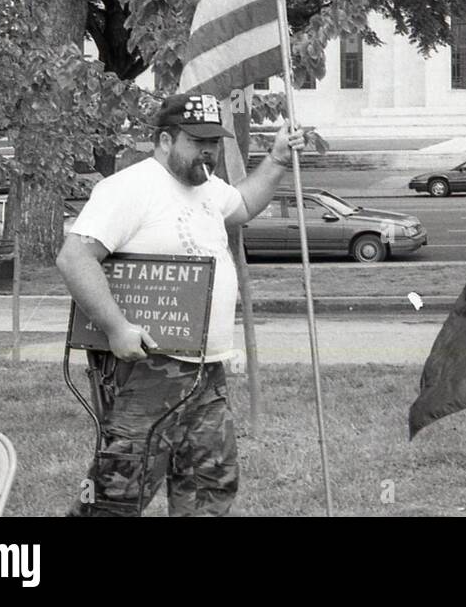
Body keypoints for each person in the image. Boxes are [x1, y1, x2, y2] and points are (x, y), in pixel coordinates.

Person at [57, 93, 305, 516]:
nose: (208, 151)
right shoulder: (130, 187)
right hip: (148, 370)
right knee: (118, 494)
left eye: (214, 142)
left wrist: (278, 160)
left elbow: (243, 204)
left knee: (211, 483)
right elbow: (75, 256)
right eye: (197, 141)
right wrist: (117, 328)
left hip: (206, 373)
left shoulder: (206, 187)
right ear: (165, 140)